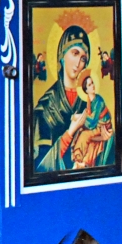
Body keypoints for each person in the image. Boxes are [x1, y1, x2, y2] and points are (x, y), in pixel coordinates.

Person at [33, 25, 91, 173]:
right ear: (62, 55)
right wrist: (70, 132)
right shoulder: (45, 107)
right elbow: (40, 166)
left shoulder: (89, 102)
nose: (78, 63)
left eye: (83, 58)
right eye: (75, 53)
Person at [70, 74, 114, 169]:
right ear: (86, 90)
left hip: (103, 127)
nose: (93, 86)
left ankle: (79, 159)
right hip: (96, 126)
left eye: (92, 83)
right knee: (85, 137)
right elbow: (89, 115)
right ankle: (82, 162)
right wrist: (79, 117)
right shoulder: (89, 101)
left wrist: (79, 118)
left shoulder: (99, 100)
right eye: (89, 85)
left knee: (85, 135)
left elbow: (92, 121)